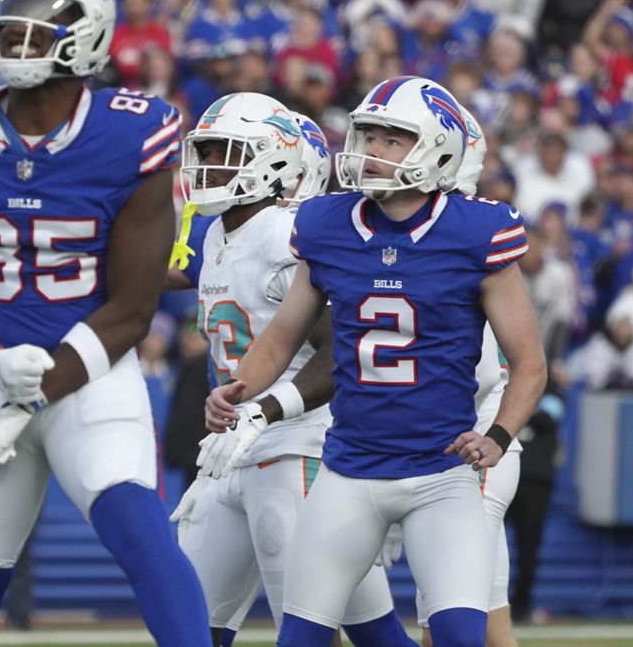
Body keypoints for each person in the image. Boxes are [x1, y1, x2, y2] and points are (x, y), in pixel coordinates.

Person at [0, 0, 210, 645]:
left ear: (91, 32)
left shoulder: (132, 131)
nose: (17, 28)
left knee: (139, 528)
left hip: (91, 375)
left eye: (41, 15)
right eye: (8, 12)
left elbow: (132, 308)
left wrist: (37, 389)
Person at [202, 76, 547, 647]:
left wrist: (500, 435)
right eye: (367, 134)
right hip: (348, 471)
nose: (370, 150)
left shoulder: (476, 232)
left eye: (392, 139)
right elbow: (283, 335)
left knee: (464, 638)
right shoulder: (325, 224)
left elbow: (529, 361)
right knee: (301, 640)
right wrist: (239, 391)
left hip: (441, 474)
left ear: (435, 150)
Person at [166, 98, 413, 647]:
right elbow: (154, 274)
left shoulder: (290, 232)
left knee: (312, 631)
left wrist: (264, 410)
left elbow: (341, 351)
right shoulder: (214, 233)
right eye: (203, 151)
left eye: (223, 153)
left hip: (299, 449)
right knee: (189, 627)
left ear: (280, 163)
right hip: (230, 450)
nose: (207, 165)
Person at [394, 108, 524, 647]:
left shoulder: (466, 239)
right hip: (448, 441)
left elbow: (479, 374)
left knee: (447, 613)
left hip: (474, 440)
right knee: (489, 617)